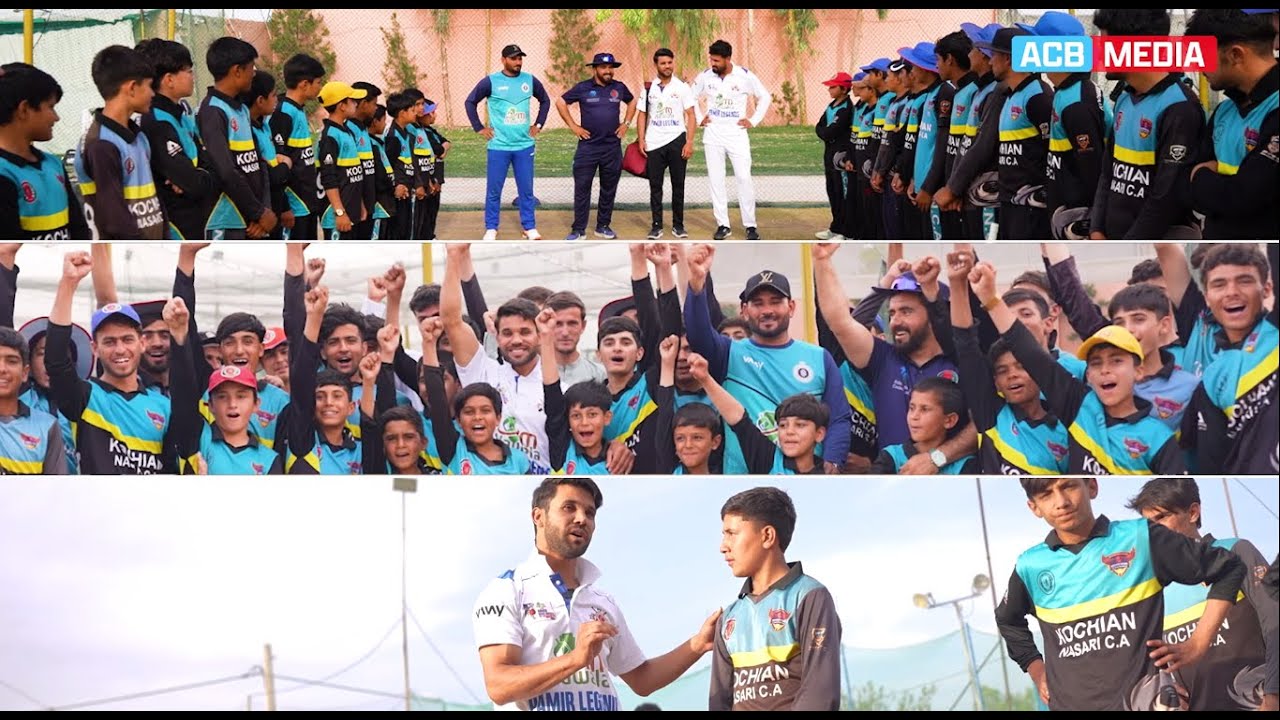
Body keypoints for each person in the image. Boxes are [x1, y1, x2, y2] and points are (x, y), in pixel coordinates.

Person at [995, 477, 1245, 711]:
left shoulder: (1141, 537)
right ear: (1034, 507)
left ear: (1091, 486)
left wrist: (1197, 644)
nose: (1061, 502)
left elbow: (1230, 567)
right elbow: (1008, 620)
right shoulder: (1031, 565)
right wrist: (1037, 670)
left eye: (1068, 486)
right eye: (1046, 495)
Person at [473, 477, 719, 711]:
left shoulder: (602, 601)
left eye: (589, 513)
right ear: (539, 516)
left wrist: (698, 645)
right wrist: (575, 659)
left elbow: (642, 679)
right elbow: (498, 686)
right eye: (569, 507)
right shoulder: (507, 590)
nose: (582, 519)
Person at [973, 262, 1184, 474]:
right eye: (1096, 363)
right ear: (1088, 374)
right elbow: (1028, 352)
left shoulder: (1159, 437)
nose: (1105, 370)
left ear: (1138, 371)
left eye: (1116, 361)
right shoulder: (1078, 405)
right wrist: (991, 299)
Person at [684, 245, 851, 474]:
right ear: (744, 310)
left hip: (807, 478)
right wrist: (696, 283)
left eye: (775, 301)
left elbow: (839, 417)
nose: (767, 310)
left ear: (791, 307)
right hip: (744, 478)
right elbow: (697, 333)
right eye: (758, 303)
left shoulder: (819, 358)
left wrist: (833, 462)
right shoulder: (729, 353)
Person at [813, 244, 975, 471]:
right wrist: (822, 261)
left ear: (934, 314)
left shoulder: (963, 361)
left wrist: (936, 458)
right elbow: (841, 323)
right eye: (892, 313)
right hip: (891, 476)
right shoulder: (882, 358)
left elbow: (985, 423)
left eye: (906, 311)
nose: (895, 322)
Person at [1125, 478, 1278, 711]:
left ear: (1193, 512)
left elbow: (1275, 621)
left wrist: (1274, 695)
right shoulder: (1153, 583)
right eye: (1149, 525)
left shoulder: (1235, 551)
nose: (1154, 532)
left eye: (1162, 517)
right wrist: (1164, 687)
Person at [710, 487, 841, 711]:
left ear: (767, 536)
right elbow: (719, 702)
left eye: (732, 533)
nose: (723, 546)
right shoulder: (728, 618)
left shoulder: (809, 596)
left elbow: (820, 692)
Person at [45, 251, 174, 474]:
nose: (120, 349)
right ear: (95, 348)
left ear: (142, 343)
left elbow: (173, 467)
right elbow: (55, 360)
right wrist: (68, 284)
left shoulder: (164, 405)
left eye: (127, 339)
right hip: (96, 498)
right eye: (109, 342)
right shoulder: (84, 396)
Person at [1089, 10, 1204, 240]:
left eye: (1105, 45)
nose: (1099, 54)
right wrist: (1096, 229)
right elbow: (1108, 171)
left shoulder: (1180, 107)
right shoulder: (1124, 98)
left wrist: (1126, 245)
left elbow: (1165, 199)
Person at [441, 243, 549, 474]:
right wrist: (453, 257)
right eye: (507, 333)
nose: (516, 340)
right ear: (496, 337)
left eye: (525, 332)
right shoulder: (481, 370)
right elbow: (451, 321)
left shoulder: (557, 388)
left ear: (540, 335)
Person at [1187, 8, 1279, 240]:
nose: (1199, 68)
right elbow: (1188, 188)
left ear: (1236, 54)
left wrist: (1200, 175)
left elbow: (1243, 197)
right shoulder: (1224, 111)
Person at [165, 297, 281, 475]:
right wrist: (179, 336)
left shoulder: (270, 459)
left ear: (256, 404)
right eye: (222, 396)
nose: (232, 404)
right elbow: (182, 392)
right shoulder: (197, 440)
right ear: (210, 405)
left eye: (241, 396)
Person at [1189, 243, 1277, 474]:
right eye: (1219, 284)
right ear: (1207, 298)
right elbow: (1212, 466)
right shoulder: (1211, 379)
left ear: (1267, 288)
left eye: (1244, 281)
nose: (1231, 292)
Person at [1014, 14, 1103, 235]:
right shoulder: (1064, 92)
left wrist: (1092, 226)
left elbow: (1092, 170)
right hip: (1062, 215)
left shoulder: (1077, 103)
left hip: (1077, 221)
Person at [77, 45, 166, 239]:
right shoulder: (101, 144)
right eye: (149, 86)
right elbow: (115, 221)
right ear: (132, 88)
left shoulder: (138, 137)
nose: (153, 94)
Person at [465, 44, 550, 241]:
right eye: (514, 58)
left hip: (524, 146)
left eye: (520, 58)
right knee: (494, 190)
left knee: (526, 190)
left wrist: (538, 124)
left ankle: (529, 227)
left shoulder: (529, 80)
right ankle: (491, 228)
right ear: (503, 60)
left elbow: (545, 101)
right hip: (499, 146)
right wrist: (479, 127)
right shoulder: (491, 81)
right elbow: (470, 102)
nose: (518, 62)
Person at [690, 353, 828, 475]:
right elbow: (739, 419)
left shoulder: (830, 473)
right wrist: (705, 379)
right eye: (783, 425)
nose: (789, 432)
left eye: (800, 425)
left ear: (819, 434)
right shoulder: (768, 458)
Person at [135, 39, 217, 241]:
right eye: (188, 71)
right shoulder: (156, 121)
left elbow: (208, 168)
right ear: (169, 79)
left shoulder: (181, 115)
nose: (193, 77)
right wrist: (196, 178)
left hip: (197, 218)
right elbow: (194, 183)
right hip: (176, 227)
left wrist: (197, 176)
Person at [692, 40, 772, 241]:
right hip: (713, 136)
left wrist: (753, 120)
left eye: (716, 60)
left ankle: (750, 226)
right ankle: (723, 225)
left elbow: (765, 97)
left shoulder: (744, 75)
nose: (713, 64)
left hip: (737, 136)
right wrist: (700, 117)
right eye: (711, 59)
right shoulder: (705, 76)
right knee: (716, 180)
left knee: (744, 178)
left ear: (728, 59)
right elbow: (690, 97)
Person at [0, 63, 89, 240]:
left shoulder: (53, 164)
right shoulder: (4, 173)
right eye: (51, 107)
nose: (56, 117)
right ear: (24, 109)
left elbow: (78, 228)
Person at [196, 36, 274, 240]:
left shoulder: (241, 109)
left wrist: (262, 211)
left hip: (251, 218)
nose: (254, 74)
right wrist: (258, 212)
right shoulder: (212, 111)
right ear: (237, 71)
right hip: (226, 218)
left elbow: (258, 162)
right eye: (251, 68)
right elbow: (226, 171)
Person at [556, 52, 635, 241]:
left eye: (611, 68)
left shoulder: (619, 87)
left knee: (608, 189)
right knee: (582, 188)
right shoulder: (583, 88)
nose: (608, 71)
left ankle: (603, 226)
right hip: (588, 148)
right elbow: (560, 102)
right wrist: (574, 126)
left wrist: (626, 123)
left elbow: (632, 101)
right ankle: (578, 229)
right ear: (595, 69)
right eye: (603, 67)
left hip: (612, 147)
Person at [637, 48, 696, 240]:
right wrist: (641, 139)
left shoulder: (682, 87)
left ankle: (679, 225)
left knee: (678, 185)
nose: (667, 66)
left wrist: (689, 142)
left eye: (670, 62)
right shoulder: (648, 88)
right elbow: (642, 114)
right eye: (663, 63)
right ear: (656, 65)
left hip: (677, 140)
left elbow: (691, 115)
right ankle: (656, 226)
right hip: (654, 143)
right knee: (655, 186)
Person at [868, 377, 978, 474]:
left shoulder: (965, 465)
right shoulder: (892, 456)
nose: (914, 416)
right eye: (912, 408)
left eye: (924, 409)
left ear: (949, 420)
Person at [269, 53, 326, 241]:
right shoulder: (283, 113)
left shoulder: (298, 109)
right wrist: (285, 206)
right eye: (318, 82)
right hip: (294, 205)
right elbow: (277, 162)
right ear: (304, 84)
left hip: (307, 201)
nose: (320, 87)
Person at [0, 326, 66, 474]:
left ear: (25, 373)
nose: (2, 369)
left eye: (11, 361)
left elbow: (57, 486)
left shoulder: (47, 426)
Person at [316, 81, 368, 240]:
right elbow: (328, 178)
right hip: (337, 218)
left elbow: (353, 175)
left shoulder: (346, 132)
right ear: (342, 106)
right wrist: (339, 212)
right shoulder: (330, 136)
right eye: (352, 100)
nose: (356, 104)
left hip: (351, 212)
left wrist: (360, 204)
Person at [245, 70, 293, 241]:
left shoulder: (264, 126)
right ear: (260, 100)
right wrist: (287, 164)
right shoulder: (247, 131)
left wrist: (285, 207)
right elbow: (270, 176)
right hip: (260, 216)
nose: (276, 99)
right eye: (273, 95)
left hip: (275, 209)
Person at [814, 71, 853, 241]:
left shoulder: (846, 109)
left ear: (844, 89)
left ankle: (845, 230)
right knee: (832, 192)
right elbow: (819, 126)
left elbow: (830, 131)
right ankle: (835, 227)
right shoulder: (832, 106)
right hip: (829, 155)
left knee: (841, 193)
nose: (829, 89)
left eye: (833, 87)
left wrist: (825, 132)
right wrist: (824, 131)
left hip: (840, 158)